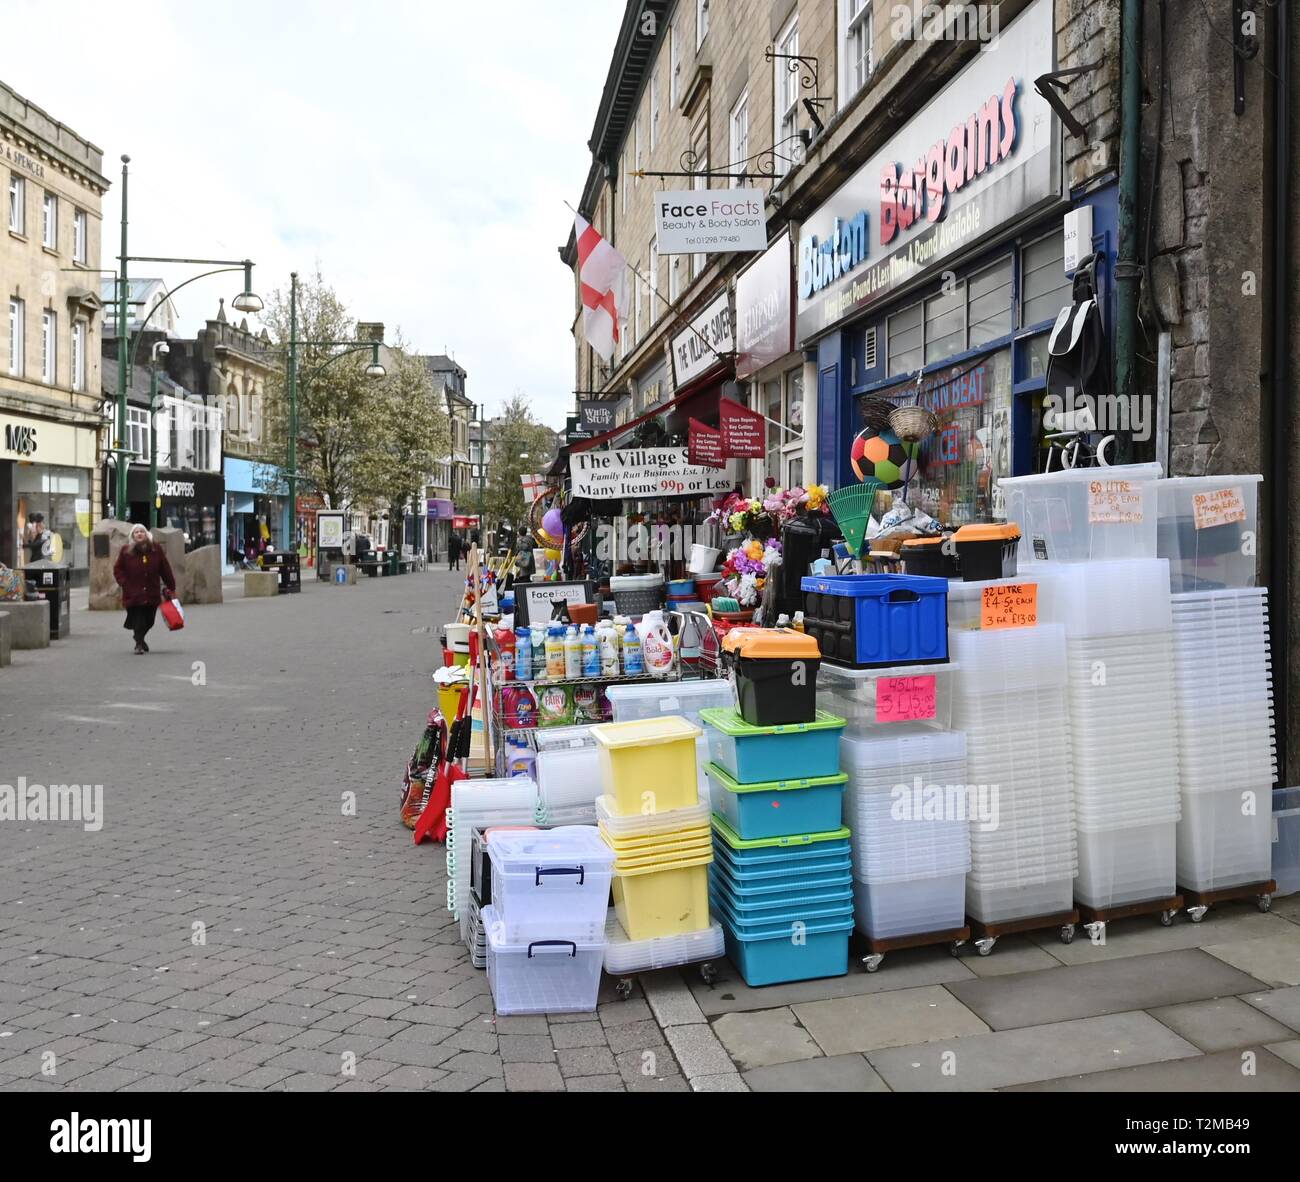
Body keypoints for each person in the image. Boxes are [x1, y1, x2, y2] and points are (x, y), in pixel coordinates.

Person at [113, 525, 177, 655]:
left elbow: (165, 568)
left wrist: (171, 586)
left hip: (151, 591)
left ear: (146, 534)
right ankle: (139, 644)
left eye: (142, 531)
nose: (139, 534)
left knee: (149, 620)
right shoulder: (126, 551)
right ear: (133, 536)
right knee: (138, 619)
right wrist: (123, 582)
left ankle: (139, 638)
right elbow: (118, 569)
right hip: (133, 592)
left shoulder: (155, 549)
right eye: (136, 532)